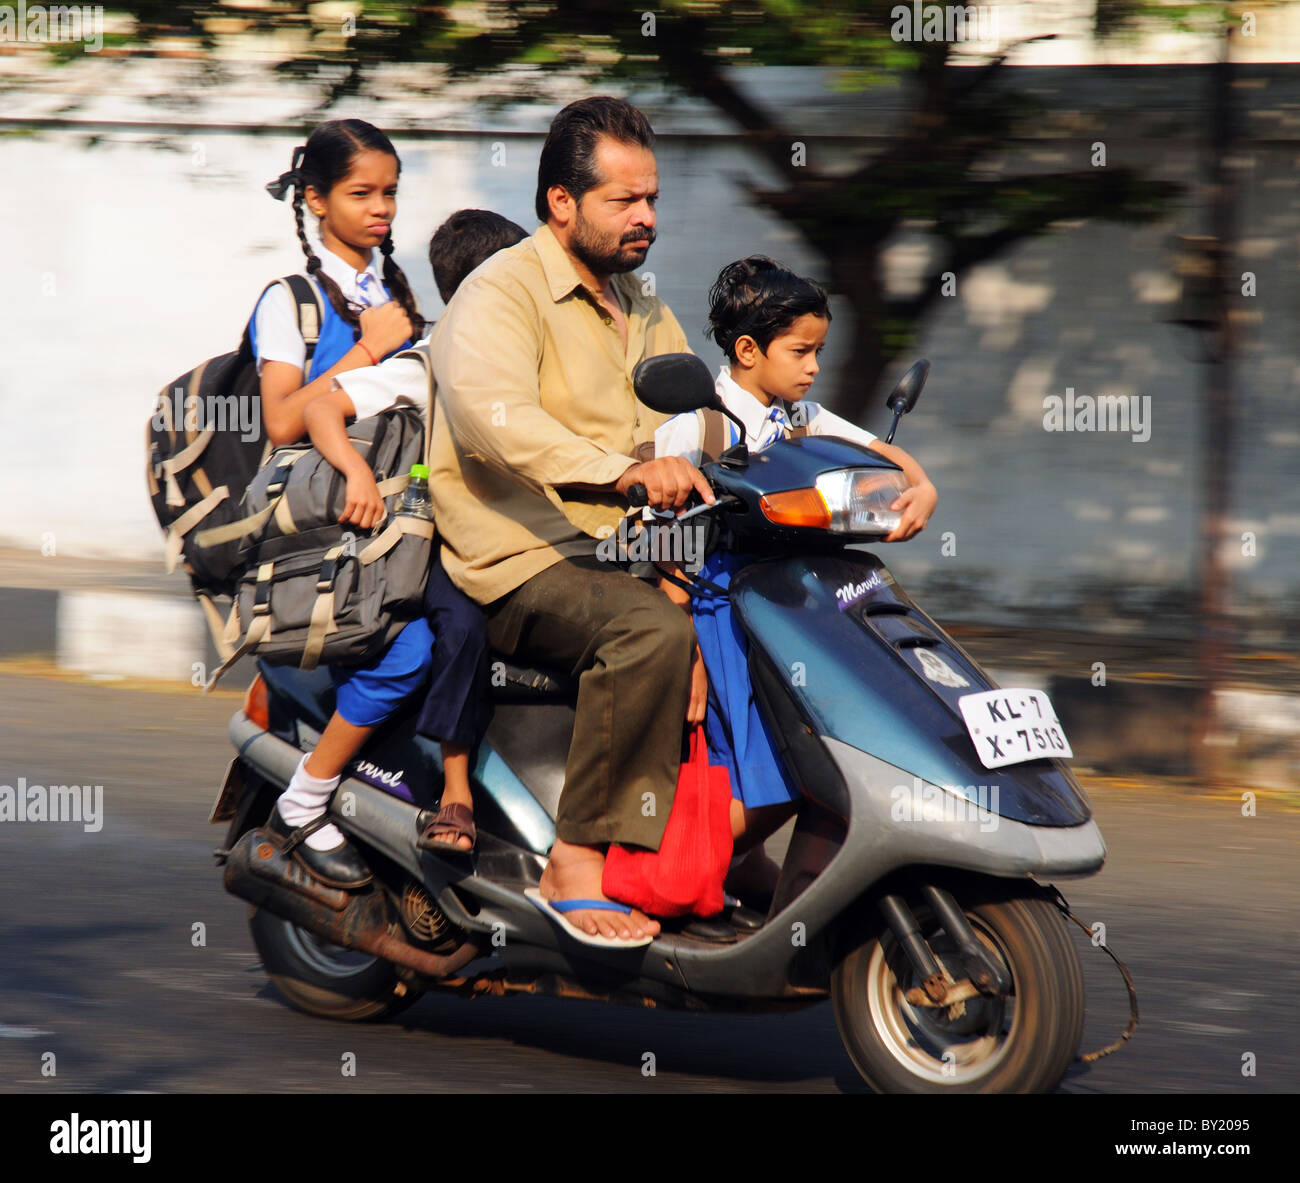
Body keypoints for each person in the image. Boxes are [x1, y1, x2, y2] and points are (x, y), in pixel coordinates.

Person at [425, 96, 714, 948]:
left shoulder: (641, 300)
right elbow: (498, 422)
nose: (646, 218)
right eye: (624, 201)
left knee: (747, 630)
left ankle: (718, 849)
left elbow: (699, 402)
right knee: (650, 633)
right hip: (520, 550)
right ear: (561, 202)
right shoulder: (500, 292)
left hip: (622, 541)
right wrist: (625, 470)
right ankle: (575, 859)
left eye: (651, 199)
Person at [654, 256, 939, 887]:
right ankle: (672, 873)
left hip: (794, 606)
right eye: (801, 351)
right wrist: (687, 656)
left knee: (803, 756)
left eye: (819, 351)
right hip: (721, 607)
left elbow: (877, 450)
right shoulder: (694, 425)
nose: (814, 367)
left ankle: (727, 874)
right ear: (749, 349)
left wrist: (922, 488)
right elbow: (668, 550)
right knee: (767, 771)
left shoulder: (801, 419)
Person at [322, 209, 530, 855]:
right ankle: (458, 792)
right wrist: (355, 471)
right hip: (450, 544)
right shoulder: (426, 363)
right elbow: (318, 404)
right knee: (462, 626)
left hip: (532, 540)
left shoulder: (538, 360)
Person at [254, 119, 421, 447]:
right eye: (361, 194)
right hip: (322, 494)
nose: (381, 209)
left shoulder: (393, 295)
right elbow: (281, 424)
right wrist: (369, 350)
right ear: (317, 200)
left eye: (390, 193)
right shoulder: (289, 301)